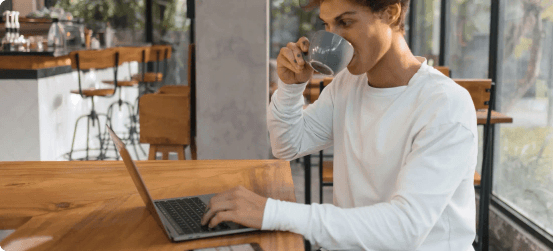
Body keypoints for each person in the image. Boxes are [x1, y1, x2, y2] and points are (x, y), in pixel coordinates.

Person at [201, 0, 478, 250]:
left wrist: (271, 213)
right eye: (327, 25)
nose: (333, 36)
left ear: (391, 14)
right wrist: (290, 87)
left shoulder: (445, 105)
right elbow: (287, 145)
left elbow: (404, 229)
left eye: (345, 22)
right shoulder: (348, 84)